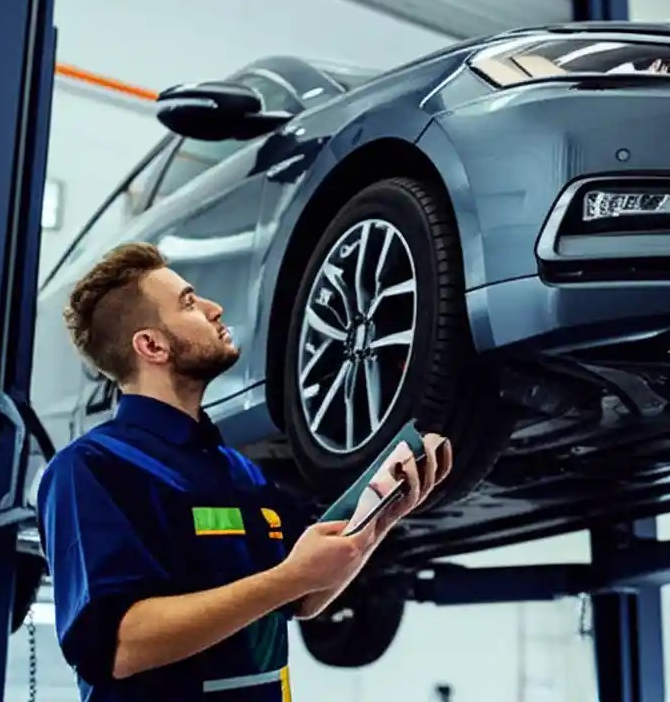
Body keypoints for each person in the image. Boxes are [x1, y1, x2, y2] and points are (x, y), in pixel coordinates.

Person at [36, 241, 452, 701]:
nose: (215, 309)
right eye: (189, 302)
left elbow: (300, 600)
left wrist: (380, 519)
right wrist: (291, 578)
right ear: (151, 345)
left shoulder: (237, 472)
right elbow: (121, 645)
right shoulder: (93, 469)